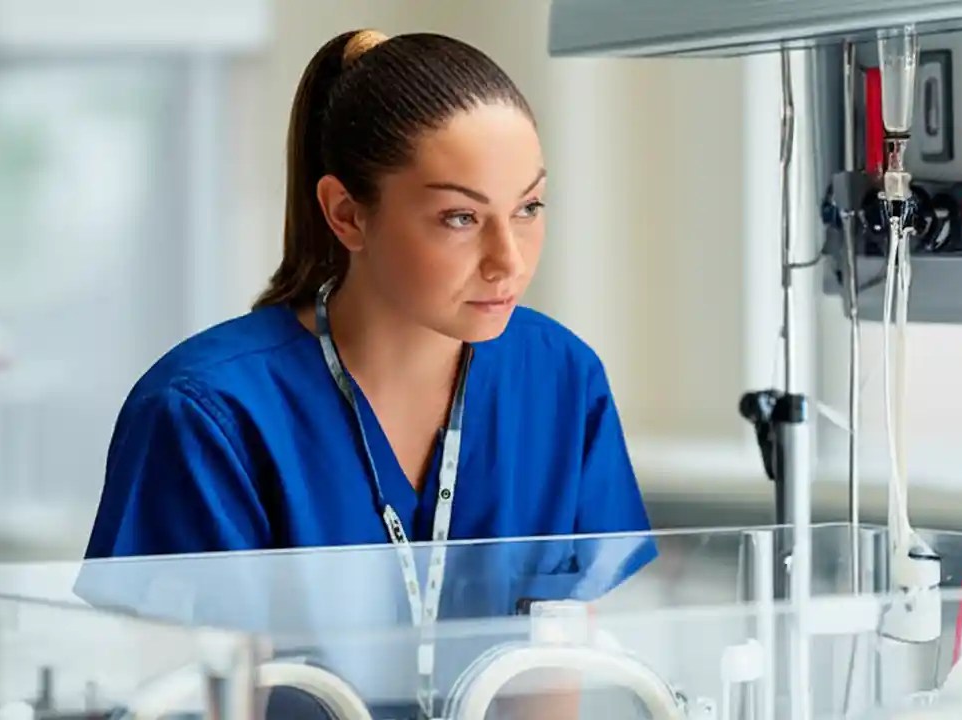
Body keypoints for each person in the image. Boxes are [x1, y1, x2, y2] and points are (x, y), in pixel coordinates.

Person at [79, 28, 655, 718]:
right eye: (460, 217)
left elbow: (549, 679)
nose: (509, 259)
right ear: (347, 215)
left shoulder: (560, 380)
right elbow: (194, 696)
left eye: (528, 207)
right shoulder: (207, 414)